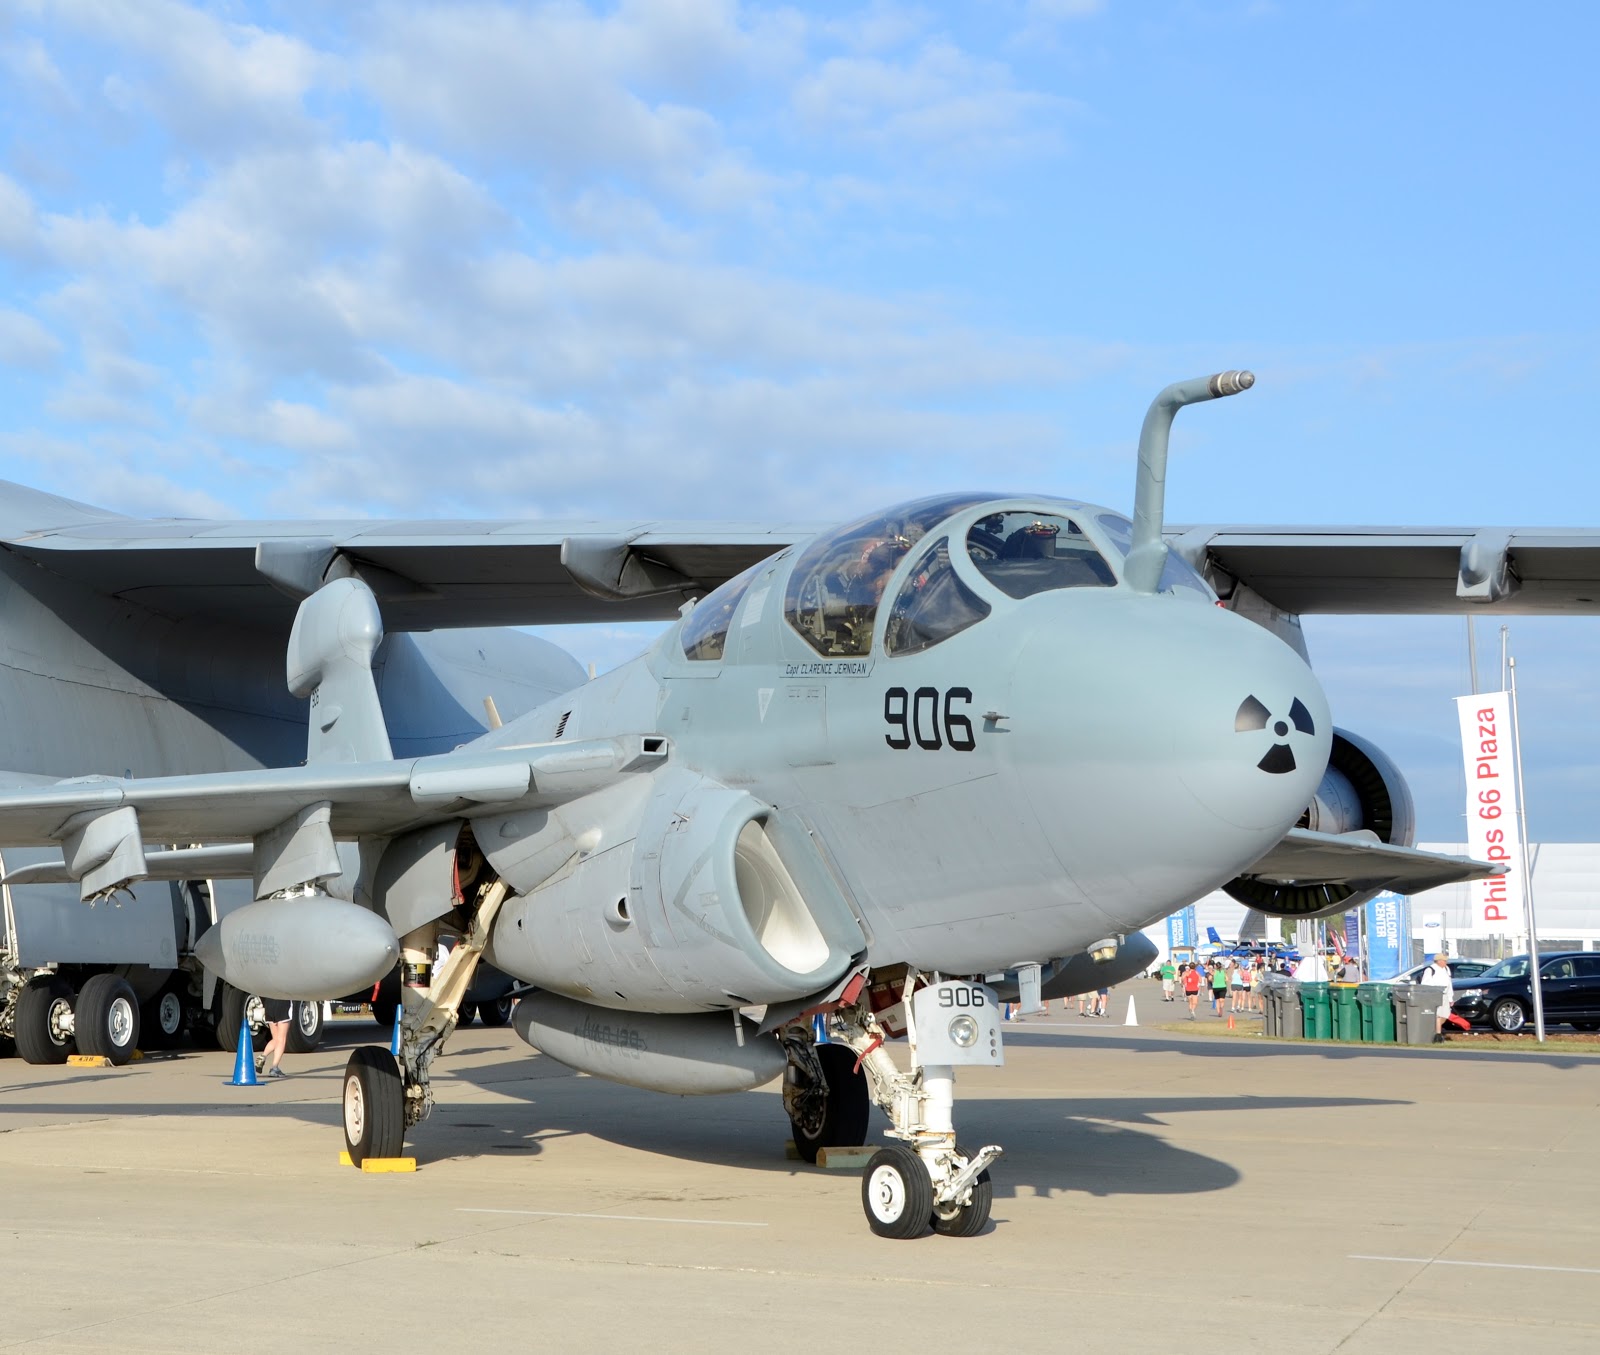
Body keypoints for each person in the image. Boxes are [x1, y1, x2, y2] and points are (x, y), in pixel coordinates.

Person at [1420, 951, 1455, 1039]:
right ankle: (1437, 1035)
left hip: (1445, 995)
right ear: (1439, 961)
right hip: (1435, 995)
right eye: (1444, 961)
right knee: (1438, 1015)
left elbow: (1449, 984)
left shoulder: (1446, 969)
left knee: (1445, 1015)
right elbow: (1425, 984)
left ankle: (1434, 1030)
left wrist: (1450, 998)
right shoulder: (1430, 970)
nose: (1446, 962)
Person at [257, 998, 293, 1078]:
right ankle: (274, 1067)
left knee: (276, 1039)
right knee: (281, 1039)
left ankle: (262, 1057)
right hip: (283, 1003)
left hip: (269, 1004)